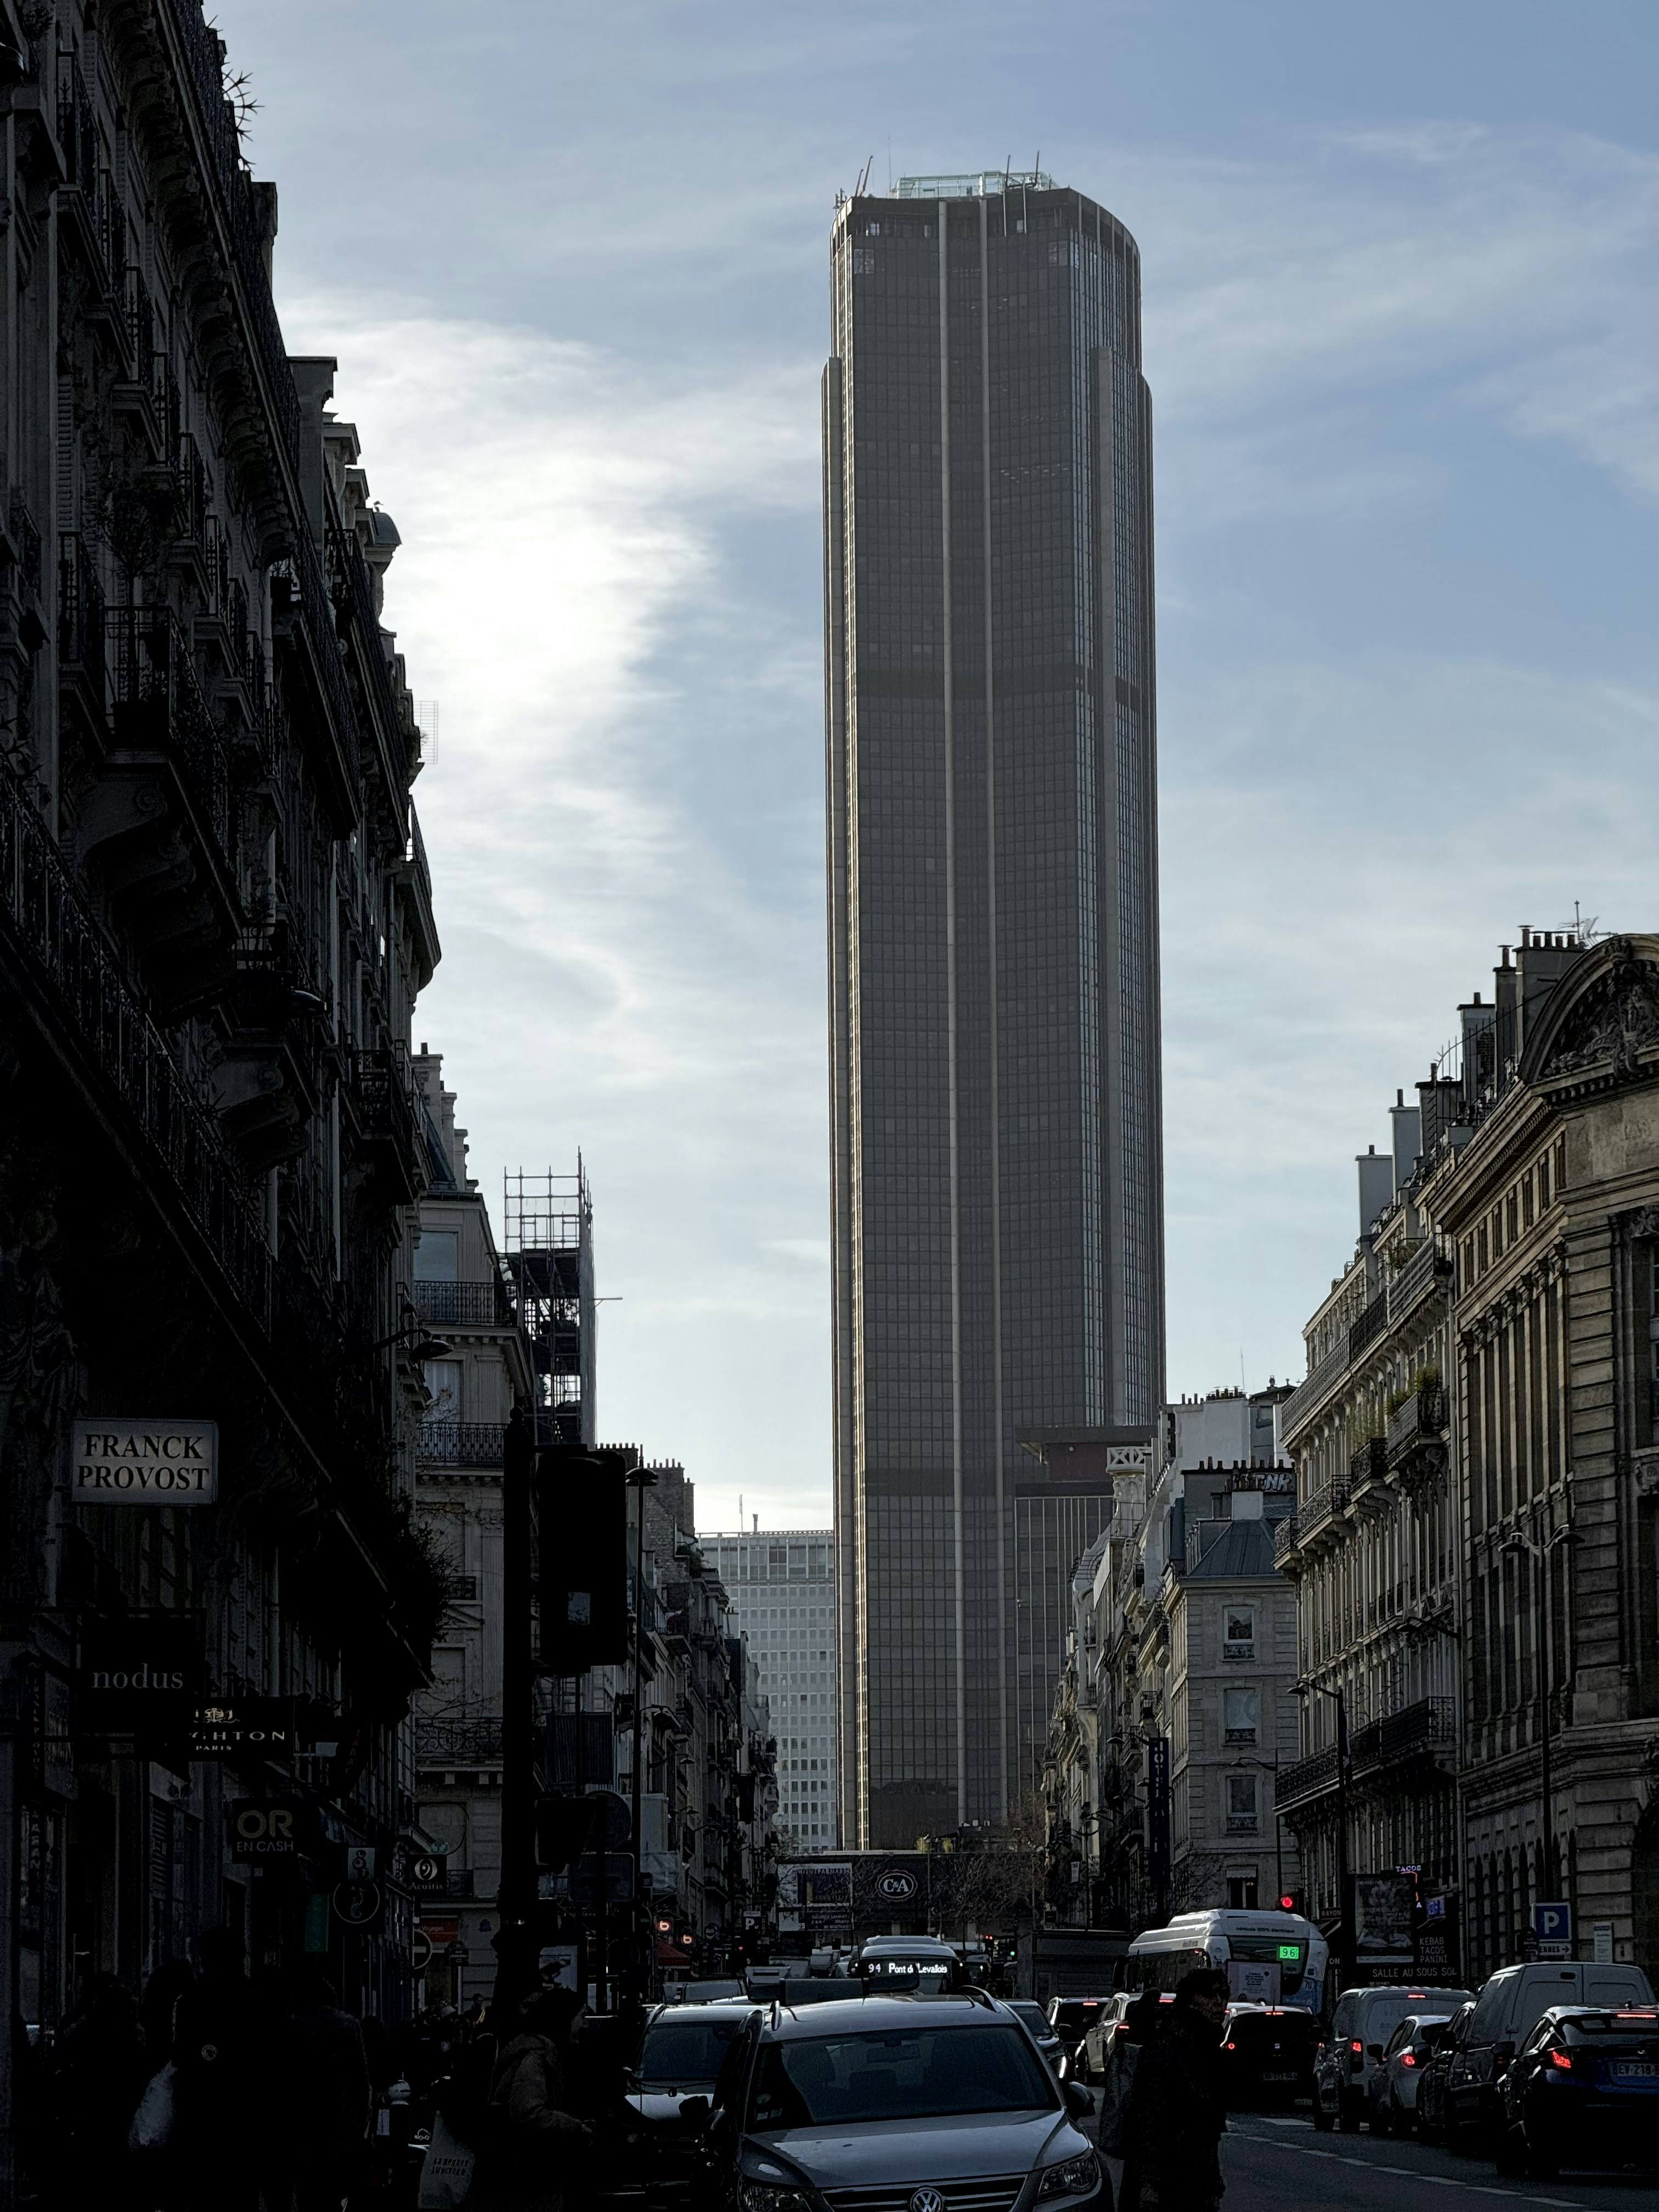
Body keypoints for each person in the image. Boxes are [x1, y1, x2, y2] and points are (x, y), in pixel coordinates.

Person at [170, 1927, 266, 2211]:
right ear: (240, 1957)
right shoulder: (257, 2002)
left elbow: (182, 2063)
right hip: (245, 2129)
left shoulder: (190, 2003)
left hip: (199, 2127)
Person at [1119, 1967, 1229, 2212]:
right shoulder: (1171, 2043)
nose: (1219, 2003)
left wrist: (1213, 2184)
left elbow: (1209, 2131)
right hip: (1169, 2180)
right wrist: (1149, 2184)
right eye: (1210, 1996)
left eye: (1223, 1996)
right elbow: (1151, 2116)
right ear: (1192, 2000)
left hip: (1195, 2179)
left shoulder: (1207, 2045)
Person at [474, 1988, 594, 2212]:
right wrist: (575, 2127)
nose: (585, 2024)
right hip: (528, 2175)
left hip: (525, 2174)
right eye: (582, 2017)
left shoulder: (537, 2051)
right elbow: (528, 2113)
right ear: (564, 2019)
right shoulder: (536, 2057)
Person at [273, 1967, 373, 2212]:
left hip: (297, 2123)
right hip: (337, 2124)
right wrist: (359, 2127)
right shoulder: (349, 2026)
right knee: (329, 2194)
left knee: (304, 2191)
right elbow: (360, 2082)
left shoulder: (288, 2025)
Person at [50, 1975, 151, 2207]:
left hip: (89, 2125)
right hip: (124, 2126)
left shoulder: (80, 2035)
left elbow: (62, 2074)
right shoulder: (135, 2041)